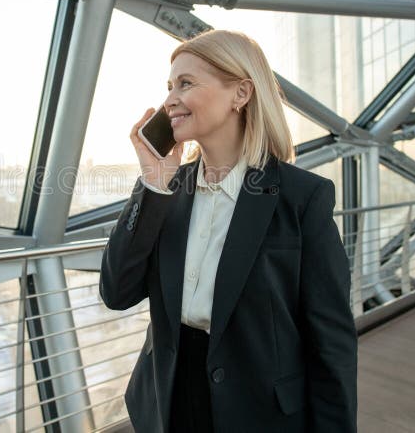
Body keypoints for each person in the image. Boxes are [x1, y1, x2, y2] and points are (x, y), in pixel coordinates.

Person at [99, 30, 357, 432]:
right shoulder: (169, 190)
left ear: (241, 93)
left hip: (258, 410)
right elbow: (117, 293)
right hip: (168, 403)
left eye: (186, 84)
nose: (169, 100)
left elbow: (331, 343)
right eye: (169, 86)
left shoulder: (302, 198)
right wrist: (152, 185)